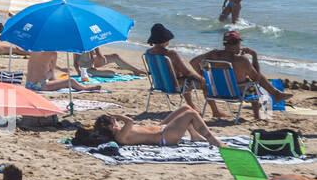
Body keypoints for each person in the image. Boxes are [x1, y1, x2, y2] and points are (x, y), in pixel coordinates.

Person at [190, 31, 292, 116]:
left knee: (208, 84)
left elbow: (193, 62)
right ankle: (260, 112)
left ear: (225, 44)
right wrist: (254, 56)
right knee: (254, 85)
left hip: (215, 92)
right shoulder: (241, 60)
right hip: (237, 93)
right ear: (237, 43)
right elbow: (257, 78)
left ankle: (215, 111)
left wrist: (203, 74)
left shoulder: (213, 55)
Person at [144, 23, 222, 116]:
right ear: (165, 39)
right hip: (175, 85)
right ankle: (215, 111)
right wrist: (202, 79)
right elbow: (187, 72)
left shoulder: (148, 53)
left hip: (160, 84)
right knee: (205, 84)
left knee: (185, 79)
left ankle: (192, 106)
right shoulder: (171, 54)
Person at [93, 106, 225, 148]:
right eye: (114, 121)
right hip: (164, 137)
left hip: (160, 129)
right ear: (109, 127)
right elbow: (130, 121)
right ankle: (212, 140)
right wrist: (117, 114)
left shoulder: (120, 133)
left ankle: (194, 135)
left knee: (185, 108)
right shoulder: (120, 136)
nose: (116, 121)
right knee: (190, 114)